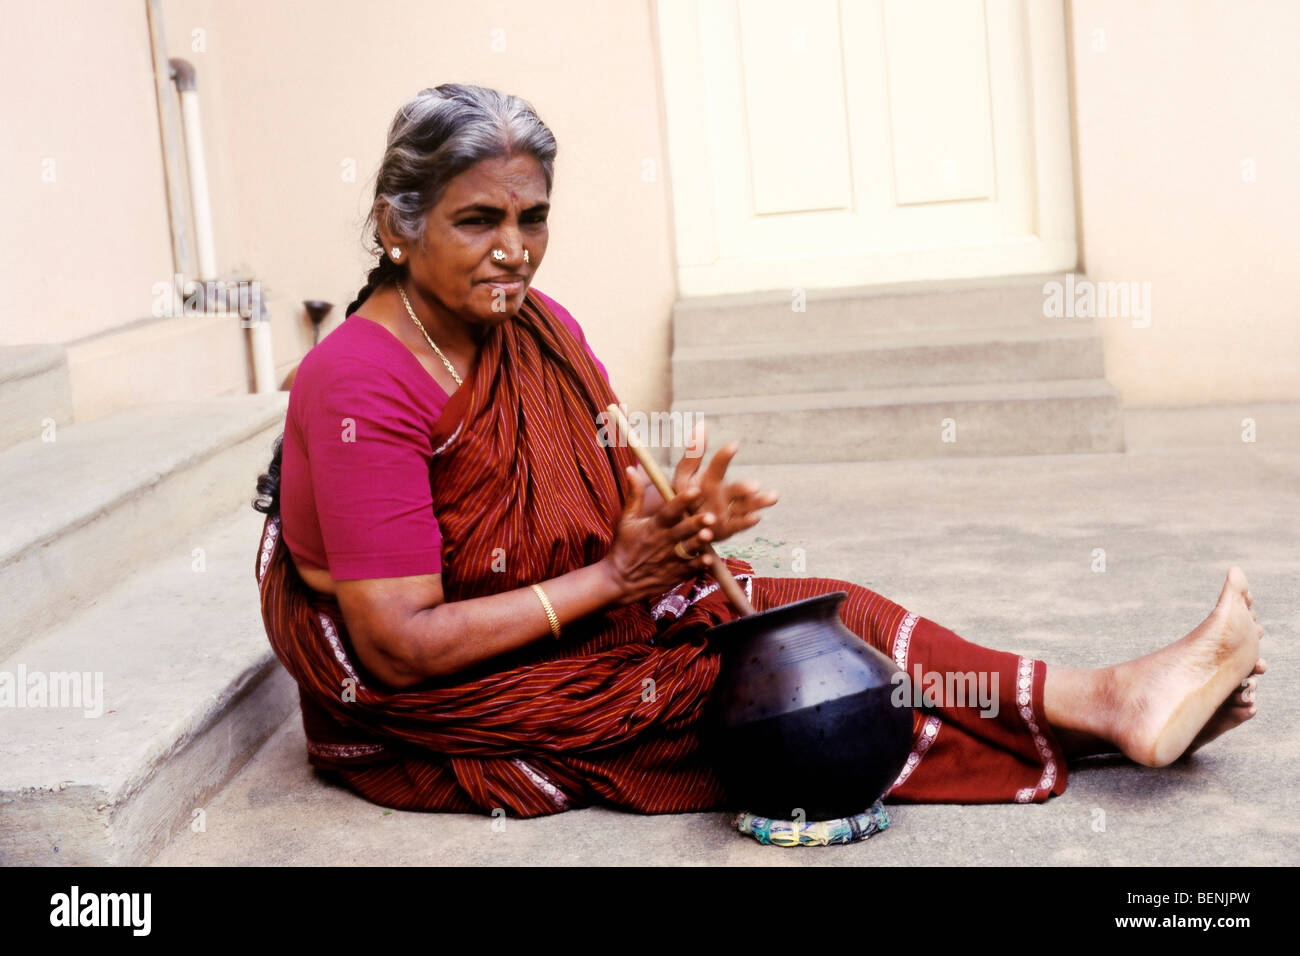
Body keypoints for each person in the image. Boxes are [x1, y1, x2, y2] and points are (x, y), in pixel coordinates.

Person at [251, 83, 1266, 817]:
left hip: (572, 620)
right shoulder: (359, 381)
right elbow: (399, 645)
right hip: (433, 699)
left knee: (828, 613)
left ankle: (1106, 699)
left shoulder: (540, 328)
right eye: (479, 220)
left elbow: (605, 504)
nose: (515, 249)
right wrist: (613, 575)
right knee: (775, 707)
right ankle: (1101, 717)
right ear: (397, 225)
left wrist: (670, 529)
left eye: (533, 217)